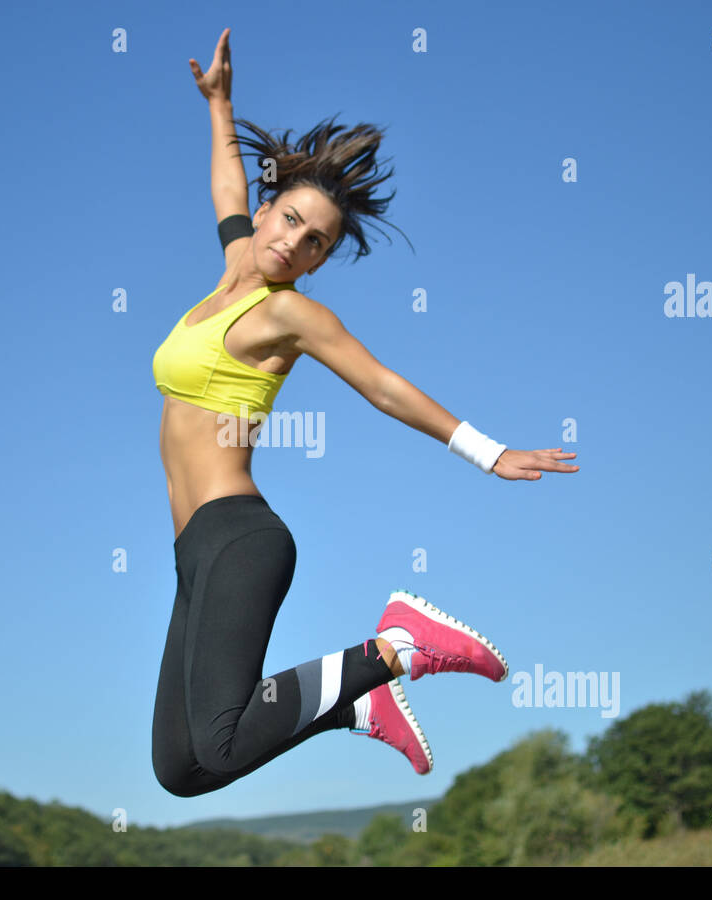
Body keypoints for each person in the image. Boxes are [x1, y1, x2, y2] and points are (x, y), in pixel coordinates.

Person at [150, 28, 579, 798]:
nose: (294, 244)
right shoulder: (232, 270)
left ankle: (396, 648)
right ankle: (360, 701)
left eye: (315, 243)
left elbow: (380, 385)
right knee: (181, 769)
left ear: (320, 260)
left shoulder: (291, 317)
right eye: (290, 222)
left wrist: (486, 450)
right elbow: (226, 188)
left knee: (218, 744)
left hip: (239, 538)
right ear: (271, 207)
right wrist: (221, 104)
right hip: (192, 553)